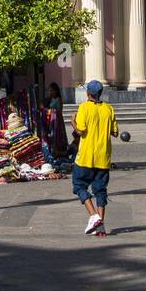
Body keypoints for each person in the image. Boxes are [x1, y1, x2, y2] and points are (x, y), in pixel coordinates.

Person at [72, 79, 118, 235]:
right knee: (100, 190)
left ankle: (93, 216)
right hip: (103, 156)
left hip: (86, 156)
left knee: (79, 186)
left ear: (88, 93)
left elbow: (80, 131)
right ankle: (101, 226)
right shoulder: (109, 109)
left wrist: (72, 122)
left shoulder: (84, 108)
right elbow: (115, 132)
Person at [43, 82, 69, 159]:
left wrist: (51, 111)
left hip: (57, 121)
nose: (51, 92)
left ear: (56, 91)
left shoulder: (58, 99)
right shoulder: (50, 99)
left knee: (58, 136)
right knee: (52, 135)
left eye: (52, 90)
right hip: (51, 121)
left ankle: (60, 151)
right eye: (49, 90)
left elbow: (59, 110)